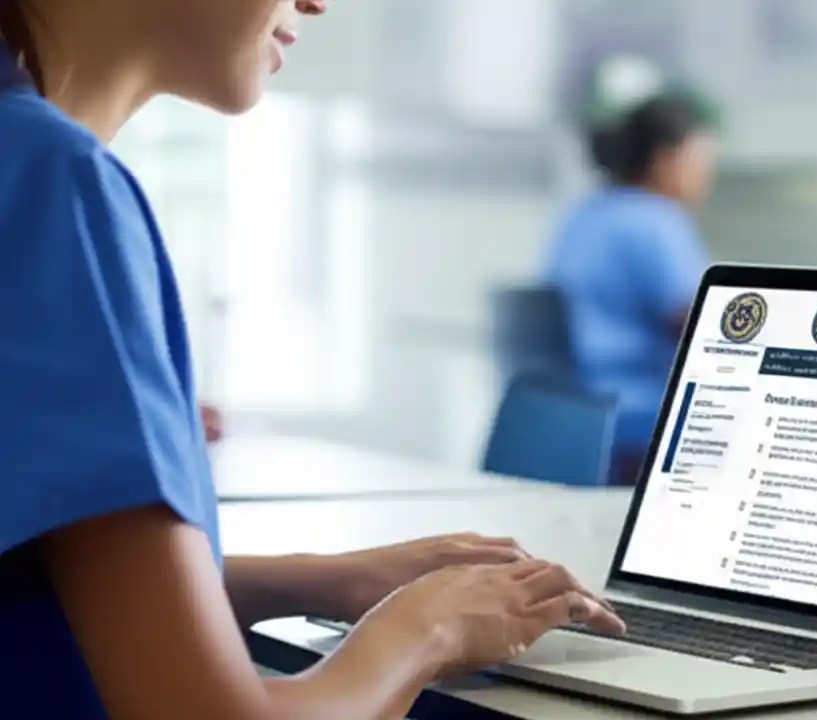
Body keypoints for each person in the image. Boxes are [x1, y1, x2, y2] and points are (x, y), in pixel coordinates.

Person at [0, 1, 623, 717]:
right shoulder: (54, 188)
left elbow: (35, 587)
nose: (317, 1)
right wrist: (429, 627)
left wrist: (320, 579)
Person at [544, 93, 717, 485]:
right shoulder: (654, 220)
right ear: (665, 159)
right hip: (634, 417)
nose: (707, 178)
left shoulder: (584, 214)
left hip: (571, 411)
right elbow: (703, 326)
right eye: (701, 161)